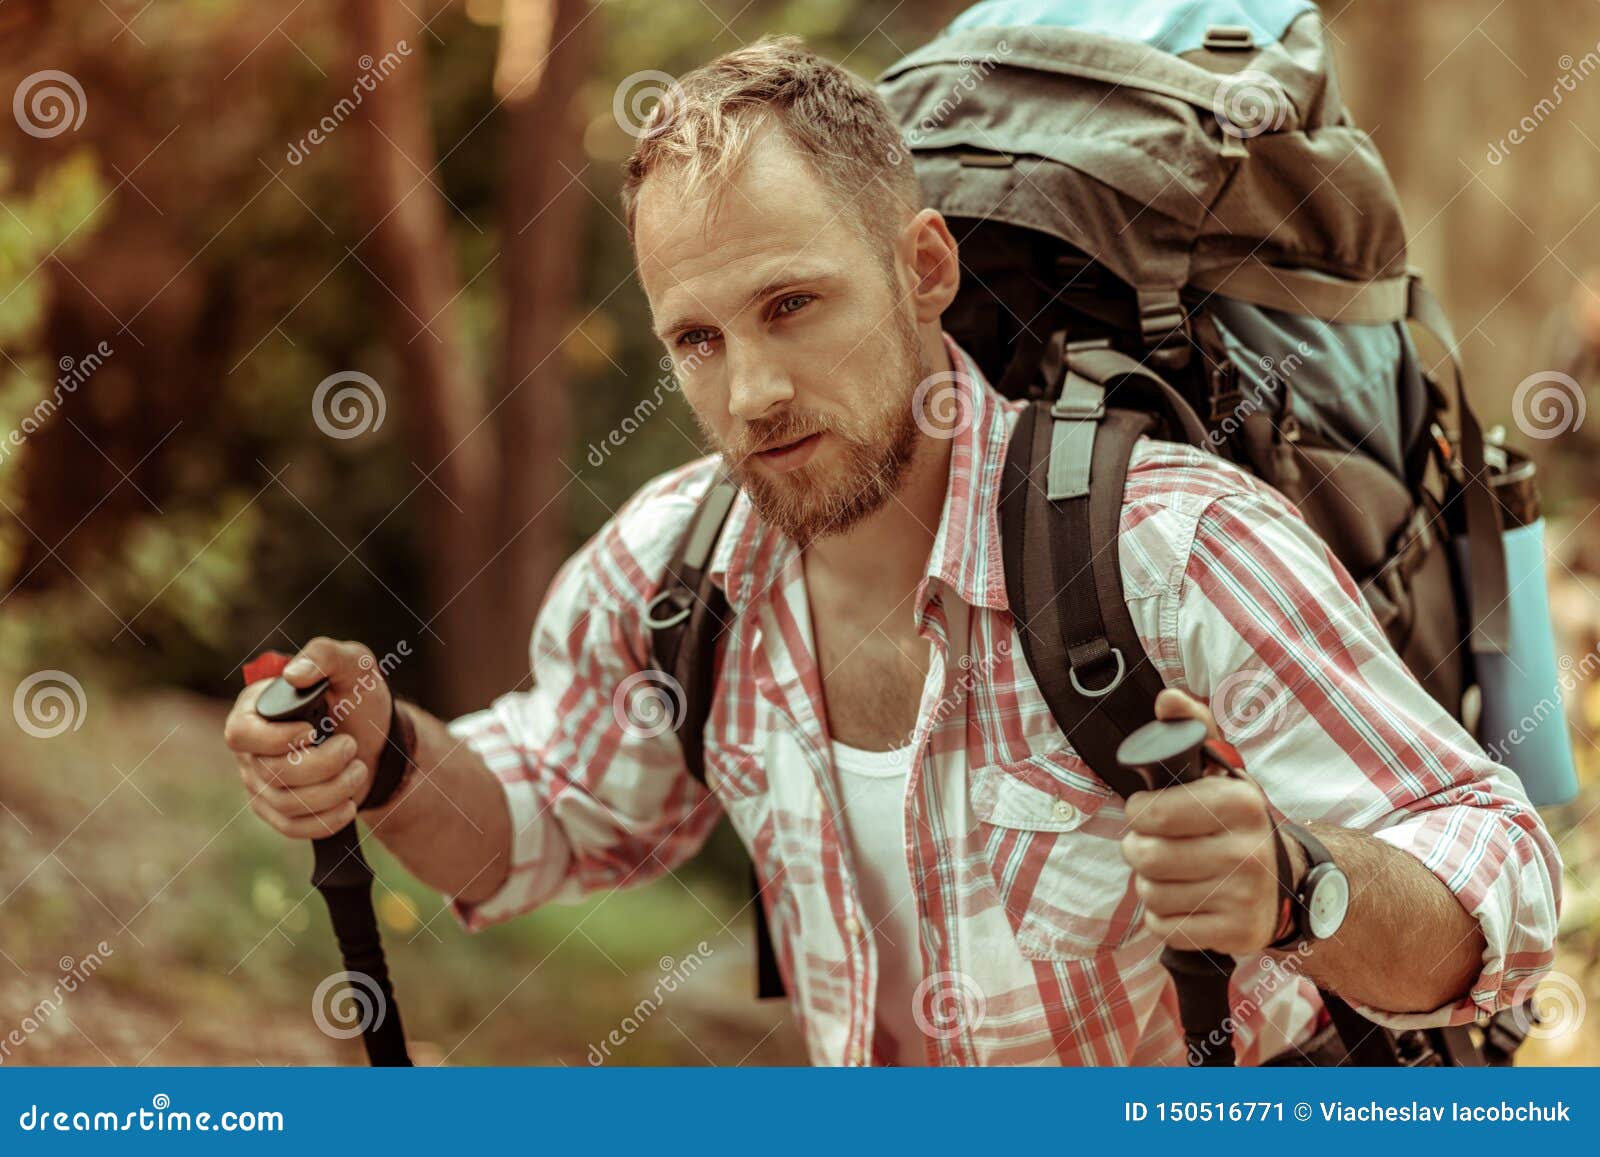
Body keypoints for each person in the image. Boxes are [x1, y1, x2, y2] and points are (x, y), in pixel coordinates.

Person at [223, 37, 1559, 1066]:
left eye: (793, 304)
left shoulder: (1170, 545)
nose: (751, 394)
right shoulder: (672, 574)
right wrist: (388, 749)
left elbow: (1497, 869)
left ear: (924, 269)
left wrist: (1300, 881)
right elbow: (549, 817)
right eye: (698, 338)